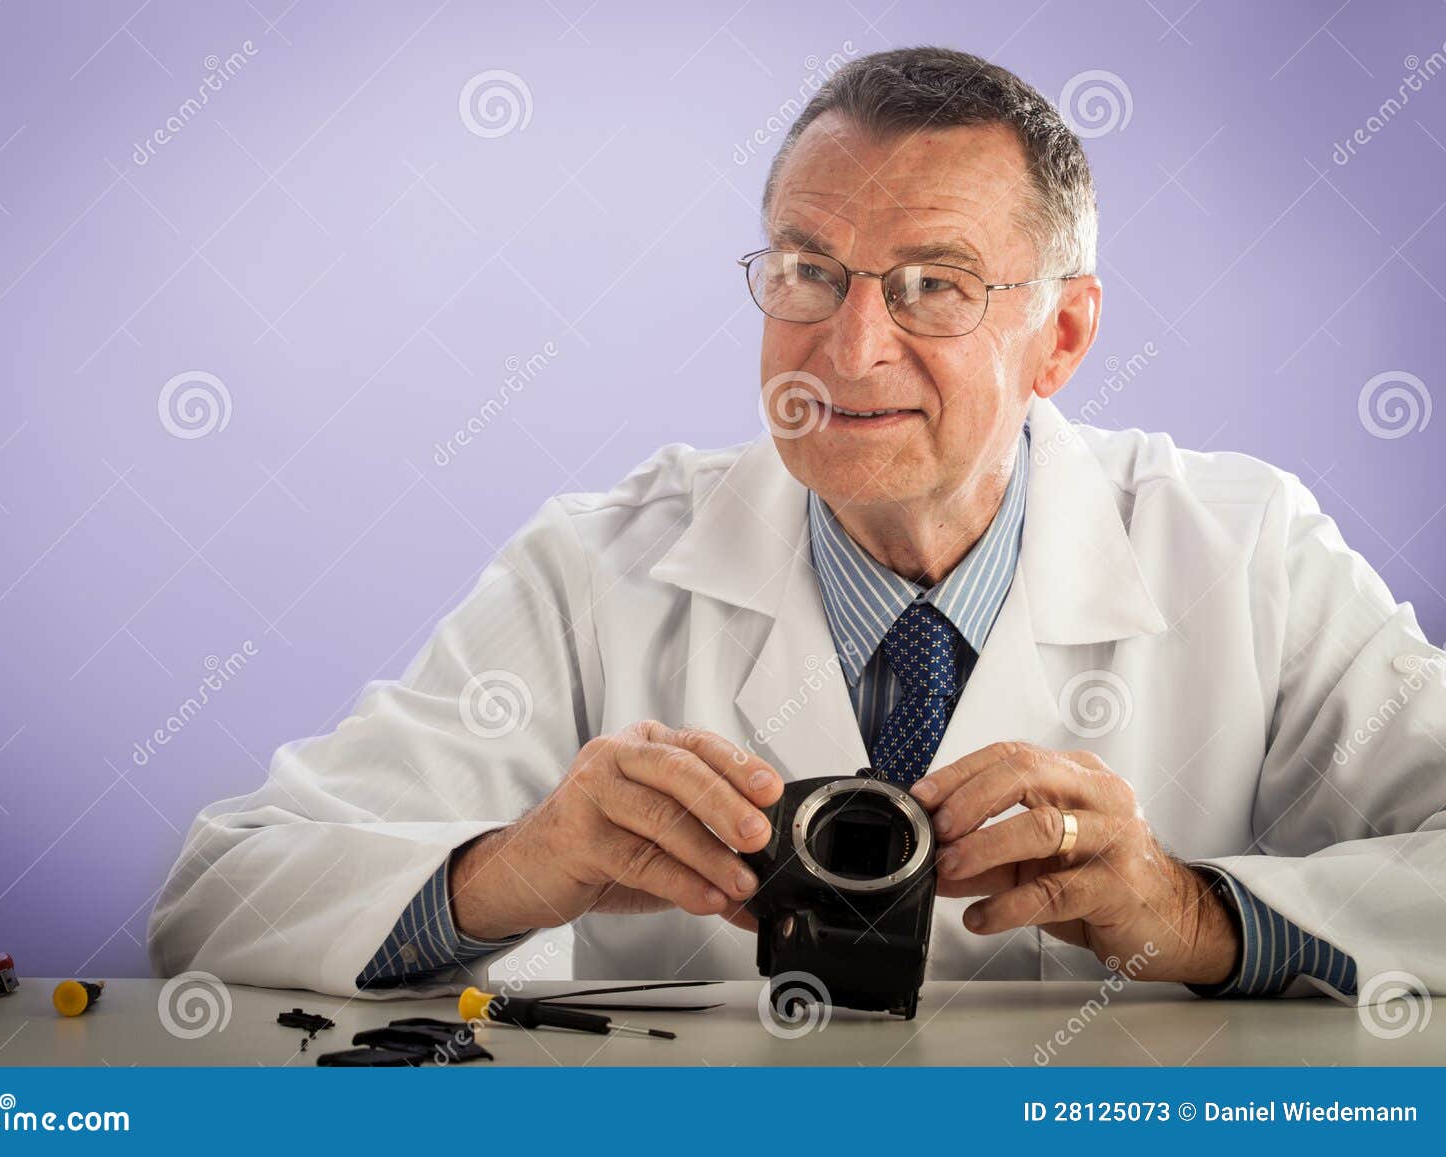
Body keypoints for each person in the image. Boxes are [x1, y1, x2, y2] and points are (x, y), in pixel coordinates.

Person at [149, 46, 1446, 1003]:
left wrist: (1195, 911)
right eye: (809, 271)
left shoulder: (1243, 548)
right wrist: (517, 866)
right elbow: (217, 895)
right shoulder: (597, 567)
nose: (851, 342)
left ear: (1062, 334)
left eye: (932, 285)